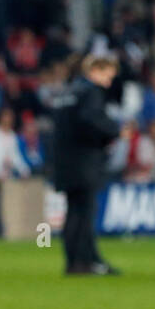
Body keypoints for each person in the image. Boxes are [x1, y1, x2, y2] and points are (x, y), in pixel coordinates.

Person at [51, 55, 120, 275]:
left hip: (65, 161)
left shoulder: (68, 91)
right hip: (85, 162)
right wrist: (114, 130)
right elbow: (90, 120)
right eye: (108, 75)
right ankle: (87, 261)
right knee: (85, 213)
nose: (109, 82)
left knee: (73, 212)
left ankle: (74, 262)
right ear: (96, 71)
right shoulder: (90, 92)